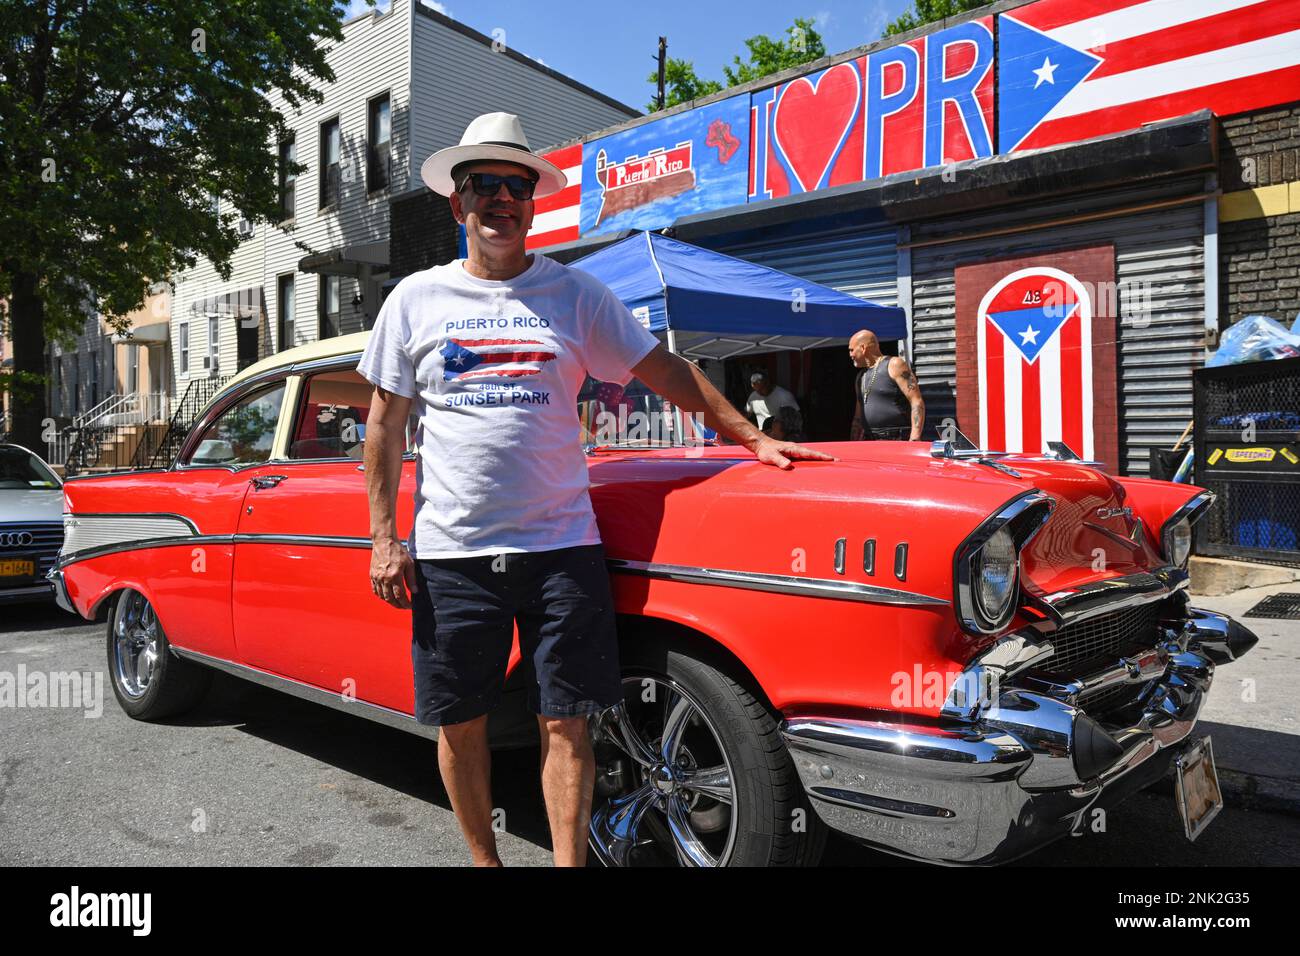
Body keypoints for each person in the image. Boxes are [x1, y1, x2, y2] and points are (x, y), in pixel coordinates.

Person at [357, 112, 833, 868]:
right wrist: (385, 538)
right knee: (461, 725)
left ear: (534, 203)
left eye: (517, 185)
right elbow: (382, 426)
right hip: (452, 553)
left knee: (568, 724)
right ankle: (486, 863)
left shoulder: (577, 295)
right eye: (486, 184)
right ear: (459, 202)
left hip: (561, 547)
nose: (502, 199)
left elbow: (667, 371)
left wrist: (751, 435)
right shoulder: (415, 299)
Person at [848, 329, 925, 441]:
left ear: (863, 348)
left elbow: (916, 401)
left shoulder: (894, 364)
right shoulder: (860, 377)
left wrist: (915, 438)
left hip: (896, 438)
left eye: (852, 350)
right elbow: (858, 417)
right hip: (869, 439)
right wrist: (853, 443)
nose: (850, 355)